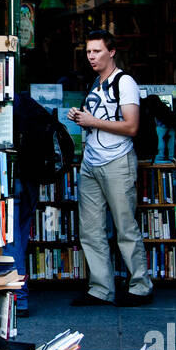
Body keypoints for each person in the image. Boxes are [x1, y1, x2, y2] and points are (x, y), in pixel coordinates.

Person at [67, 29, 154, 307]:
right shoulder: (95, 82)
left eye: (97, 51)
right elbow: (97, 120)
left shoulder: (124, 82)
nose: (91, 57)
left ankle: (140, 286)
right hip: (91, 163)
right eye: (88, 52)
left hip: (117, 161)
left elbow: (131, 126)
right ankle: (100, 289)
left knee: (125, 227)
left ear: (111, 52)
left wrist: (92, 122)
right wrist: (80, 119)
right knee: (90, 230)